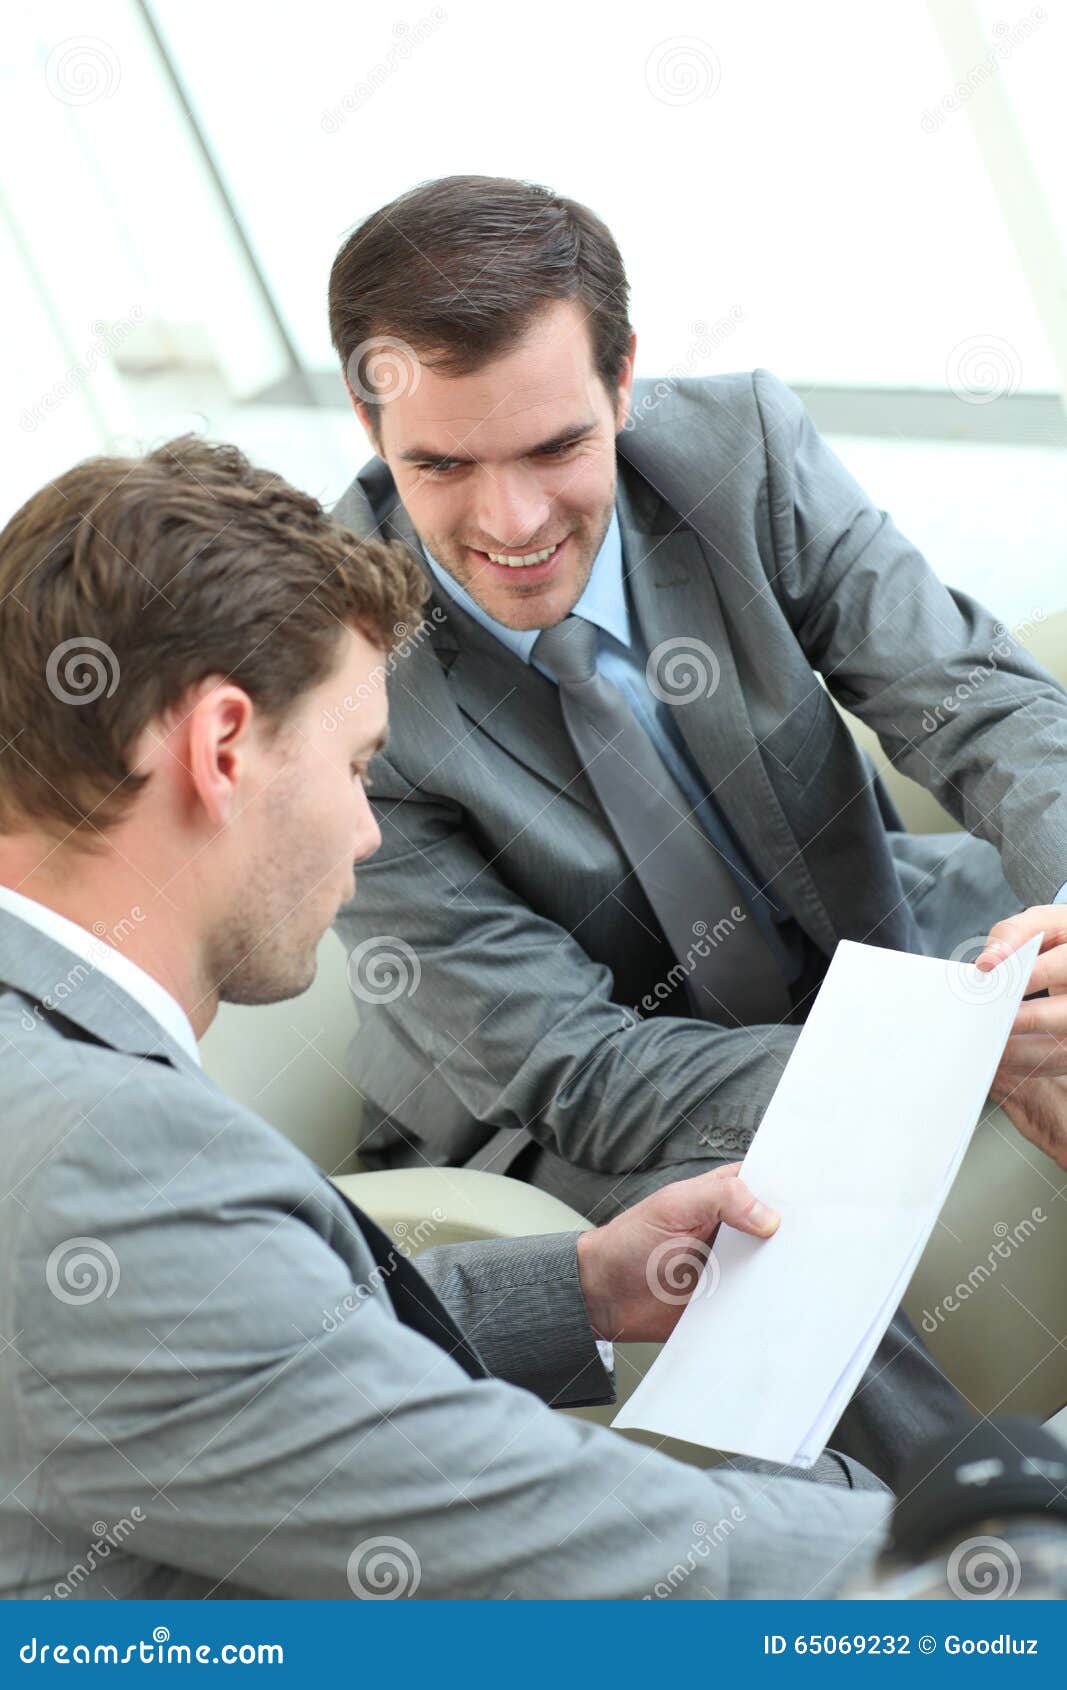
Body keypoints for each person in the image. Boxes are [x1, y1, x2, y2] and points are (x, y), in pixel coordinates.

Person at [0, 437, 893, 1602]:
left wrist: (580, 1288)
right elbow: (557, 1544)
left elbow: (215, 1356)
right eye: (358, 765)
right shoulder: (100, 1156)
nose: (368, 832)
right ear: (221, 750)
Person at [326, 173, 1067, 1484]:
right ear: (368, 424)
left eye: (554, 446)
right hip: (572, 1099)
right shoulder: (333, 658)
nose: (508, 523)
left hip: (865, 939)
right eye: (440, 462)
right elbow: (571, 1065)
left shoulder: (736, 457)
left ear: (621, 383)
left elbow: (977, 709)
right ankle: (988, 1552)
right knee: (768, 1249)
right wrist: (940, 1054)